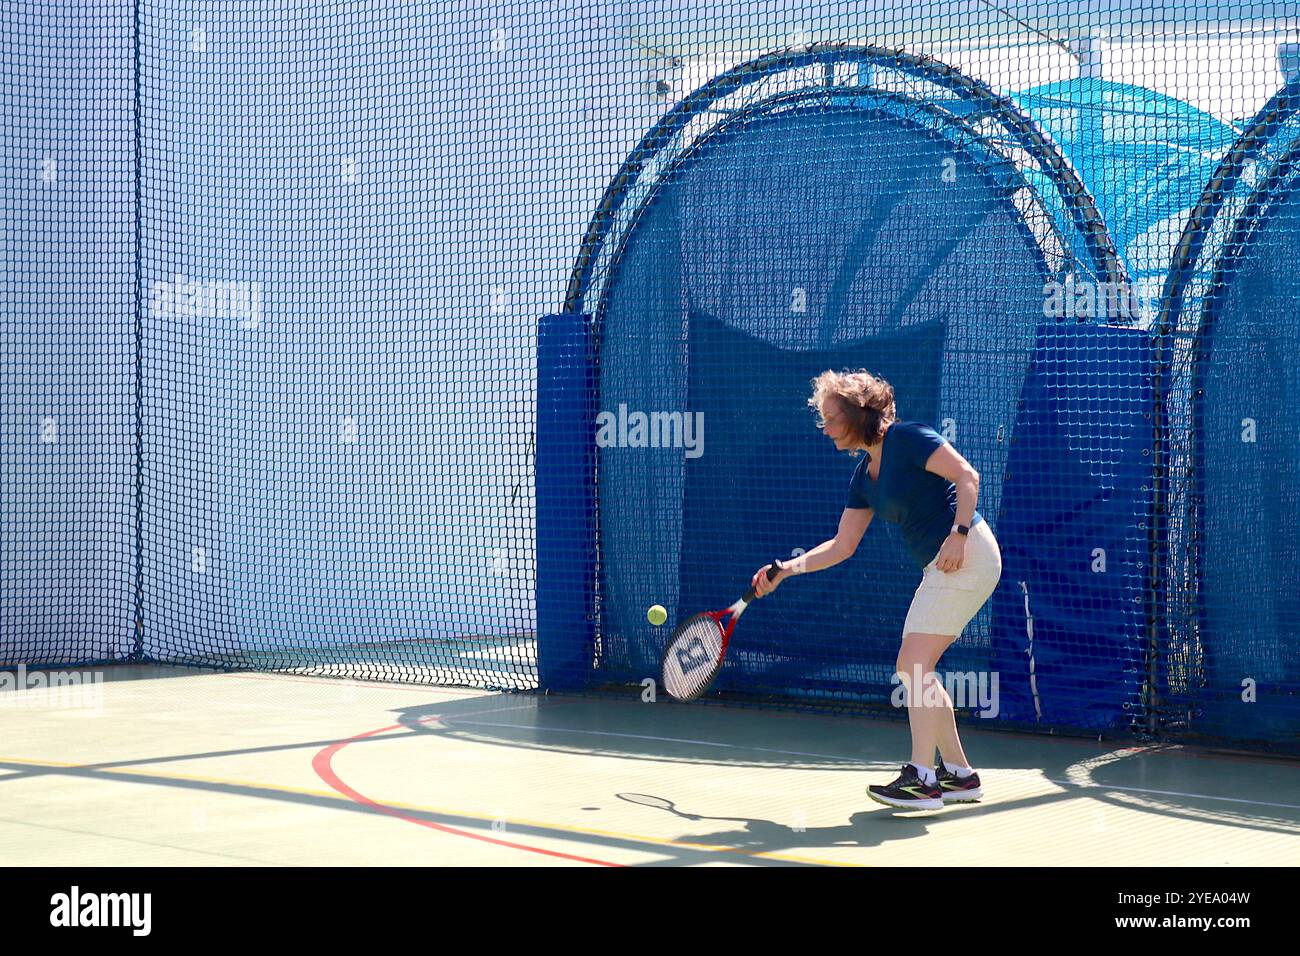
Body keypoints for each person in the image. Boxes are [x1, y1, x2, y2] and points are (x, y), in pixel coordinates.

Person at [751, 369, 1002, 811]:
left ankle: (922, 778)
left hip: (970, 555)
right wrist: (784, 570)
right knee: (916, 668)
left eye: (830, 418)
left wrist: (958, 533)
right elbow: (841, 547)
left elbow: (967, 476)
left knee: (913, 663)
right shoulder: (864, 478)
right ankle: (960, 775)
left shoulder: (909, 439)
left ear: (857, 415)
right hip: (940, 568)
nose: (824, 428)